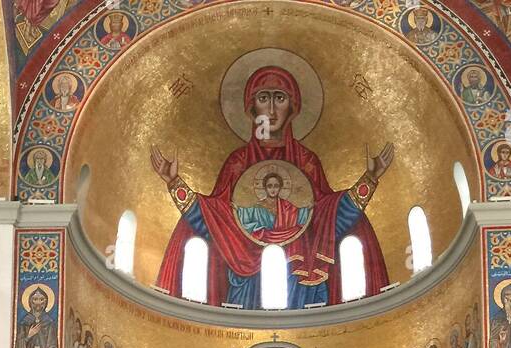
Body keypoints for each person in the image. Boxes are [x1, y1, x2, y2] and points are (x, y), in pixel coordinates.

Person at [151, 65, 392, 307]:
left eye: (280, 97)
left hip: (300, 278)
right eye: (264, 98)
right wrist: (174, 182)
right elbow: (215, 221)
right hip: (246, 280)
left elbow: (327, 219)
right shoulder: (238, 163)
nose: (272, 109)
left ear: (293, 106)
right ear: (252, 106)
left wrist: (370, 178)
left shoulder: (308, 162)